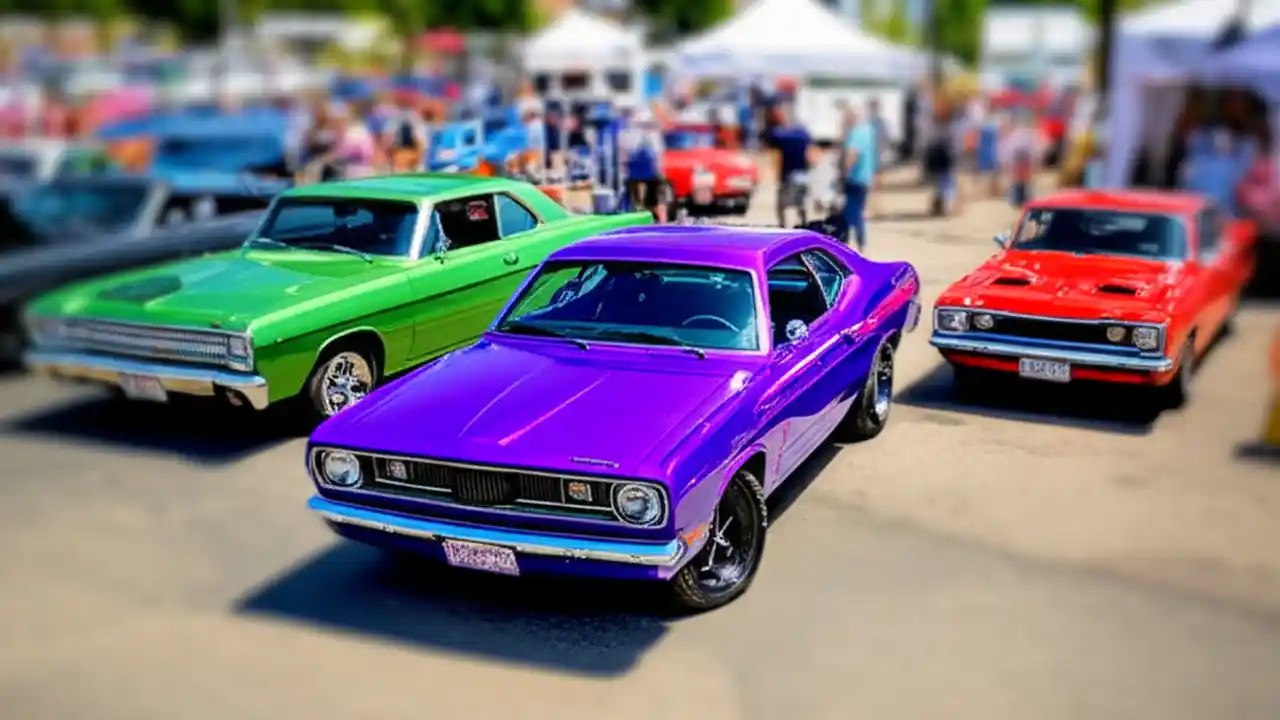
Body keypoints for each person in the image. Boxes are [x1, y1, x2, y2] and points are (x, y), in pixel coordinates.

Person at [620, 108, 668, 223]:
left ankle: (656, 220)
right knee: (633, 202)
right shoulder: (629, 136)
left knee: (652, 201)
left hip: (650, 176)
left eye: (647, 125)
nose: (644, 129)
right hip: (634, 176)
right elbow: (624, 157)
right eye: (642, 125)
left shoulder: (655, 137)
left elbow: (659, 157)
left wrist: (660, 172)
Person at [769, 106, 812, 227]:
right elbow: (809, 154)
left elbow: (775, 154)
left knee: (782, 203)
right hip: (802, 173)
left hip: (787, 174)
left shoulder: (780, 135)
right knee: (801, 201)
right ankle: (803, 222)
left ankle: (783, 225)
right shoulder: (803, 134)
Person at [842, 104, 876, 250]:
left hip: (855, 177)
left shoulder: (856, 133)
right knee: (859, 209)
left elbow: (852, 153)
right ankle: (861, 242)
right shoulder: (868, 131)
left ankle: (848, 242)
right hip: (866, 176)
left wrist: (844, 171)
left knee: (851, 211)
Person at [381, 93, 428, 173]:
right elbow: (388, 142)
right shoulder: (394, 120)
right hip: (402, 155)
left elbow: (421, 143)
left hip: (408, 155)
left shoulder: (415, 119)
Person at [1004, 111, 1042, 207]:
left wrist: (1008, 162)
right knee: (1022, 182)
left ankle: (1020, 200)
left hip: (1021, 159)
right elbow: (1035, 148)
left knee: (1021, 182)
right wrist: (1036, 160)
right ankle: (1022, 200)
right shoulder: (1028, 133)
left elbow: (1009, 149)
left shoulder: (1017, 133)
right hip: (1023, 159)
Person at [924, 117, 957, 216]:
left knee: (944, 186)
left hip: (945, 161)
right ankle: (942, 208)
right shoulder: (935, 129)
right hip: (941, 161)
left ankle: (943, 208)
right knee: (943, 186)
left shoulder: (949, 129)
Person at [867, 98, 890, 217]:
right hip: (878, 156)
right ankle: (876, 207)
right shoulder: (882, 123)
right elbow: (887, 139)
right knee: (877, 185)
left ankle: (874, 207)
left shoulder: (868, 122)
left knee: (873, 184)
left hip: (873, 157)